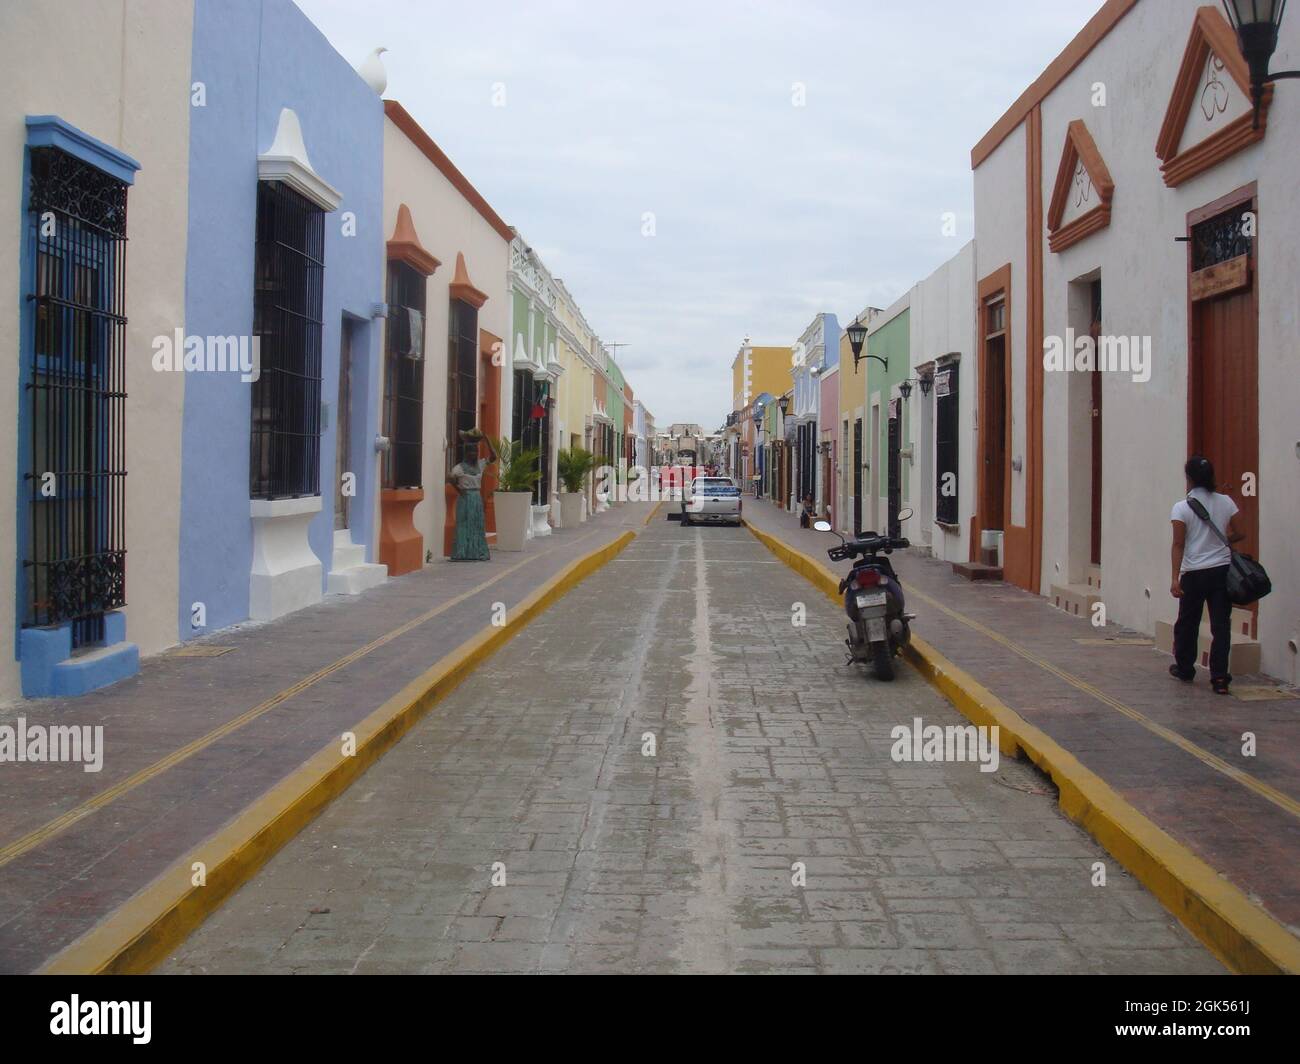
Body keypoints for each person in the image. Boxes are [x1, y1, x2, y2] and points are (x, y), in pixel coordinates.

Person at [1169, 455, 1244, 695]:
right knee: (1221, 625)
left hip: (1194, 573)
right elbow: (1239, 533)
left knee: (1188, 623)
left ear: (1189, 478)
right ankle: (1220, 677)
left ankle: (1185, 668)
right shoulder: (1226, 502)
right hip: (1221, 571)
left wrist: (1174, 578)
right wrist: (1222, 541)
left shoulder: (1181, 508)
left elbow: (1178, 544)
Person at [448, 429, 498, 562]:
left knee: (477, 524)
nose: (473, 454)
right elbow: (450, 478)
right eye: (471, 452)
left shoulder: (480, 465)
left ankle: (476, 552)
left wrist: (487, 440)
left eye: (475, 451)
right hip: (465, 498)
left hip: (476, 498)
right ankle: (462, 552)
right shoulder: (459, 468)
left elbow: (494, 457)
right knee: (464, 524)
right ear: (466, 453)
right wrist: (459, 490)